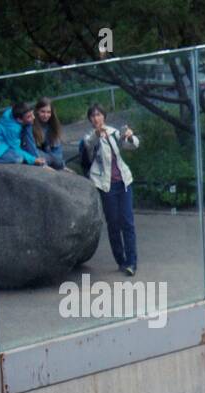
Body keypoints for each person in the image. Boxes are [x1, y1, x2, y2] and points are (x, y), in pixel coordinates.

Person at [78, 103, 139, 276]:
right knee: (113, 224)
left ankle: (131, 262)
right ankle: (120, 260)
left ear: (104, 116)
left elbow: (133, 145)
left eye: (99, 114)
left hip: (124, 182)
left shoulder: (113, 132)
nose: (96, 118)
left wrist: (129, 136)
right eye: (93, 115)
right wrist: (98, 135)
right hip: (106, 186)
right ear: (90, 119)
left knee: (128, 222)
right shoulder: (89, 137)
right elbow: (89, 146)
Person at [0, 101, 44, 165]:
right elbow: (16, 150)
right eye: (29, 116)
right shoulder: (13, 129)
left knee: (28, 125)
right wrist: (33, 160)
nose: (33, 117)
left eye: (32, 114)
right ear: (19, 120)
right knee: (18, 158)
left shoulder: (12, 112)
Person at [30, 97, 67, 170]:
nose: (46, 115)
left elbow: (57, 150)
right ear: (37, 111)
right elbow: (31, 148)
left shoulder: (53, 125)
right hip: (37, 154)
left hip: (49, 154)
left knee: (58, 161)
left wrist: (61, 165)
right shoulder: (31, 124)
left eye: (48, 112)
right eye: (42, 112)